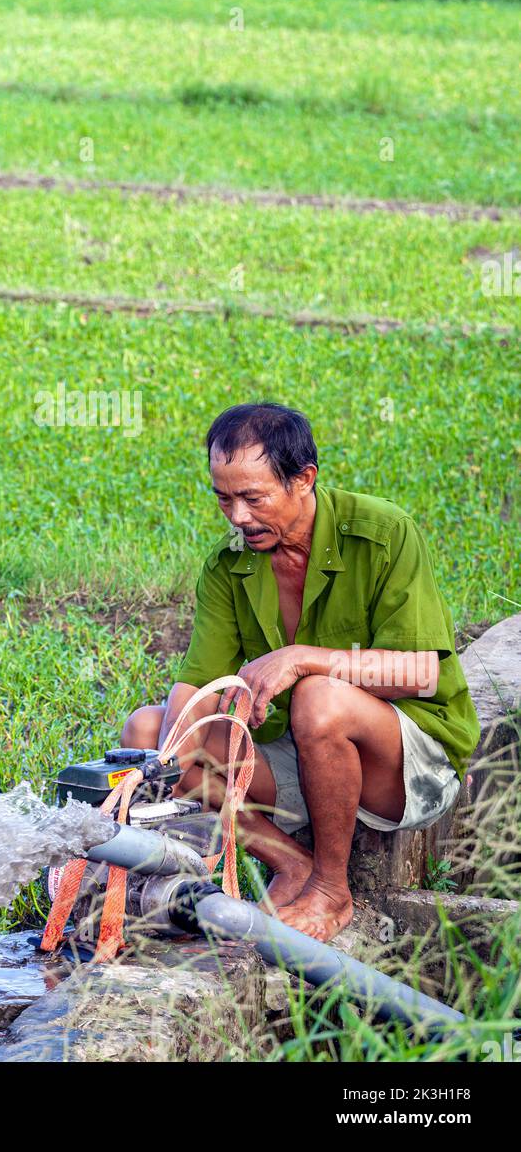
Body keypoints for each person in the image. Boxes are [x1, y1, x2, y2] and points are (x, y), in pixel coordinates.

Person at [121, 402, 480, 942]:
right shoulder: (229, 565)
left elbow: (421, 674)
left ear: (304, 479)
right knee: (151, 730)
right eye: (224, 498)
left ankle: (332, 890)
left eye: (253, 498)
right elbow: (195, 687)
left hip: (409, 764)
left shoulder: (383, 533)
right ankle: (292, 863)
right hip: (299, 754)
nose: (237, 517)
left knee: (319, 697)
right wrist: (174, 772)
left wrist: (303, 657)